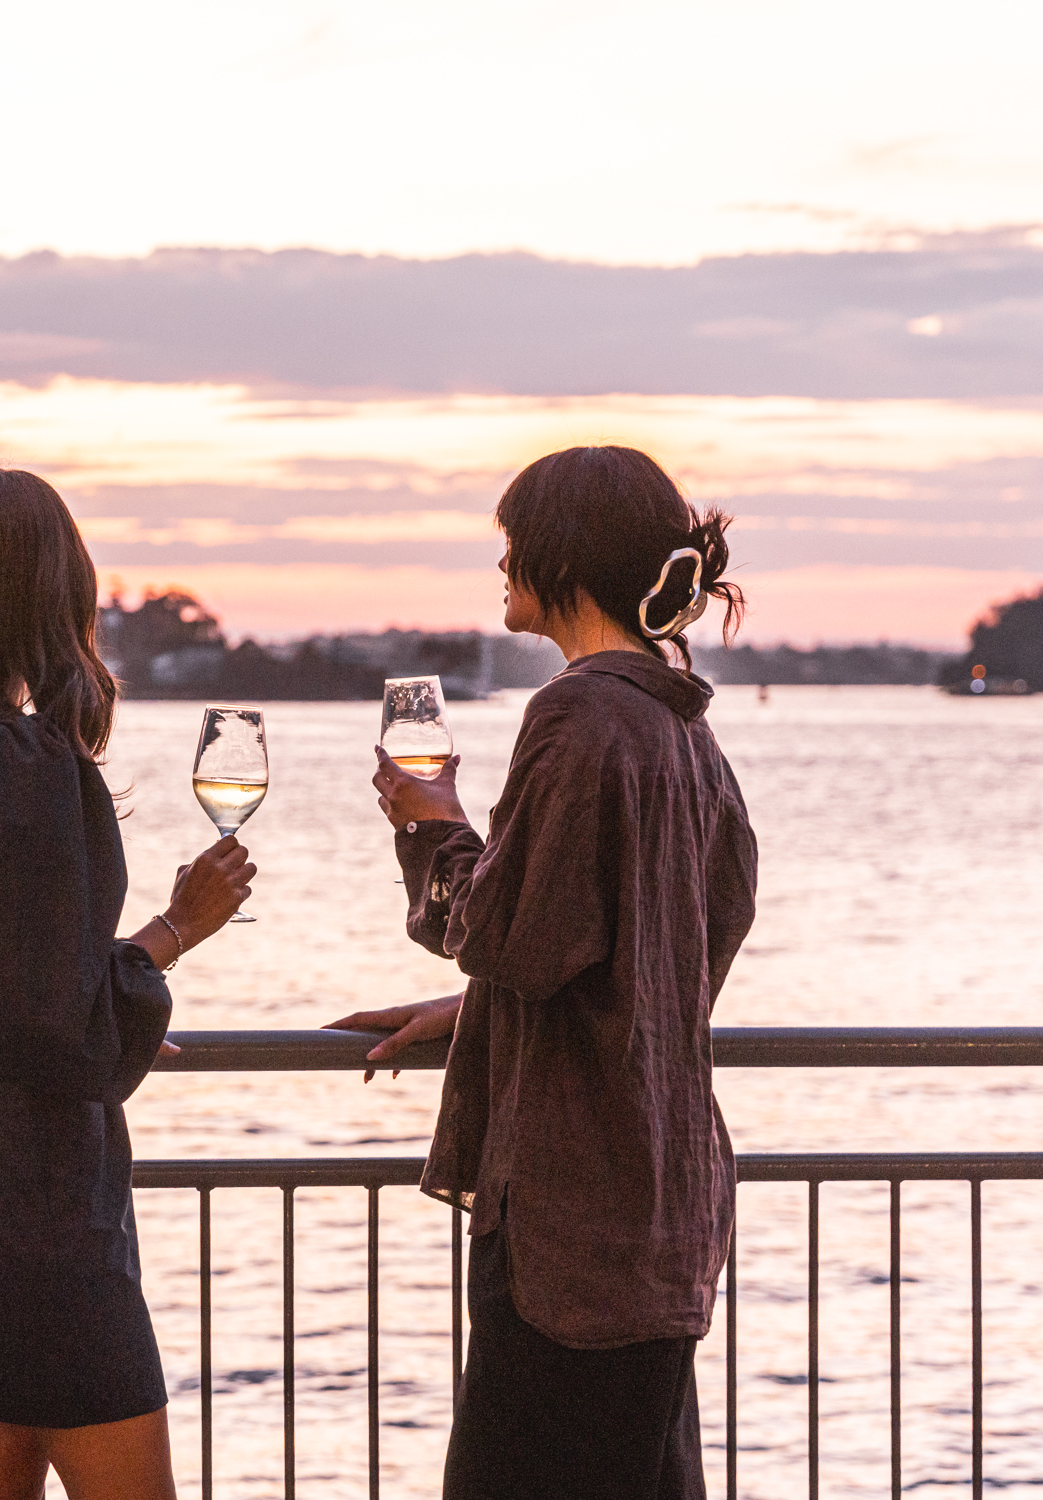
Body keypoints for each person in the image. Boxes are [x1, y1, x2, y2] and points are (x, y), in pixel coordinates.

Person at [327, 445, 758, 1500]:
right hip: (661, 1203)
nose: (503, 564)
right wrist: (478, 1013)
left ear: (563, 558)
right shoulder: (679, 725)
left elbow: (506, 933)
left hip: (573, 1218)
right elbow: (674, 941)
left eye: (514, 543)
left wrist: (431, 826)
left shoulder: (576, 713)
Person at [0, 467, 255, 1500]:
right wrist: (173, 929)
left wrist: (98, 995)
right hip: (40, 1185)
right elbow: (57, 1024)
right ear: (50, 593)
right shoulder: (15, 760)